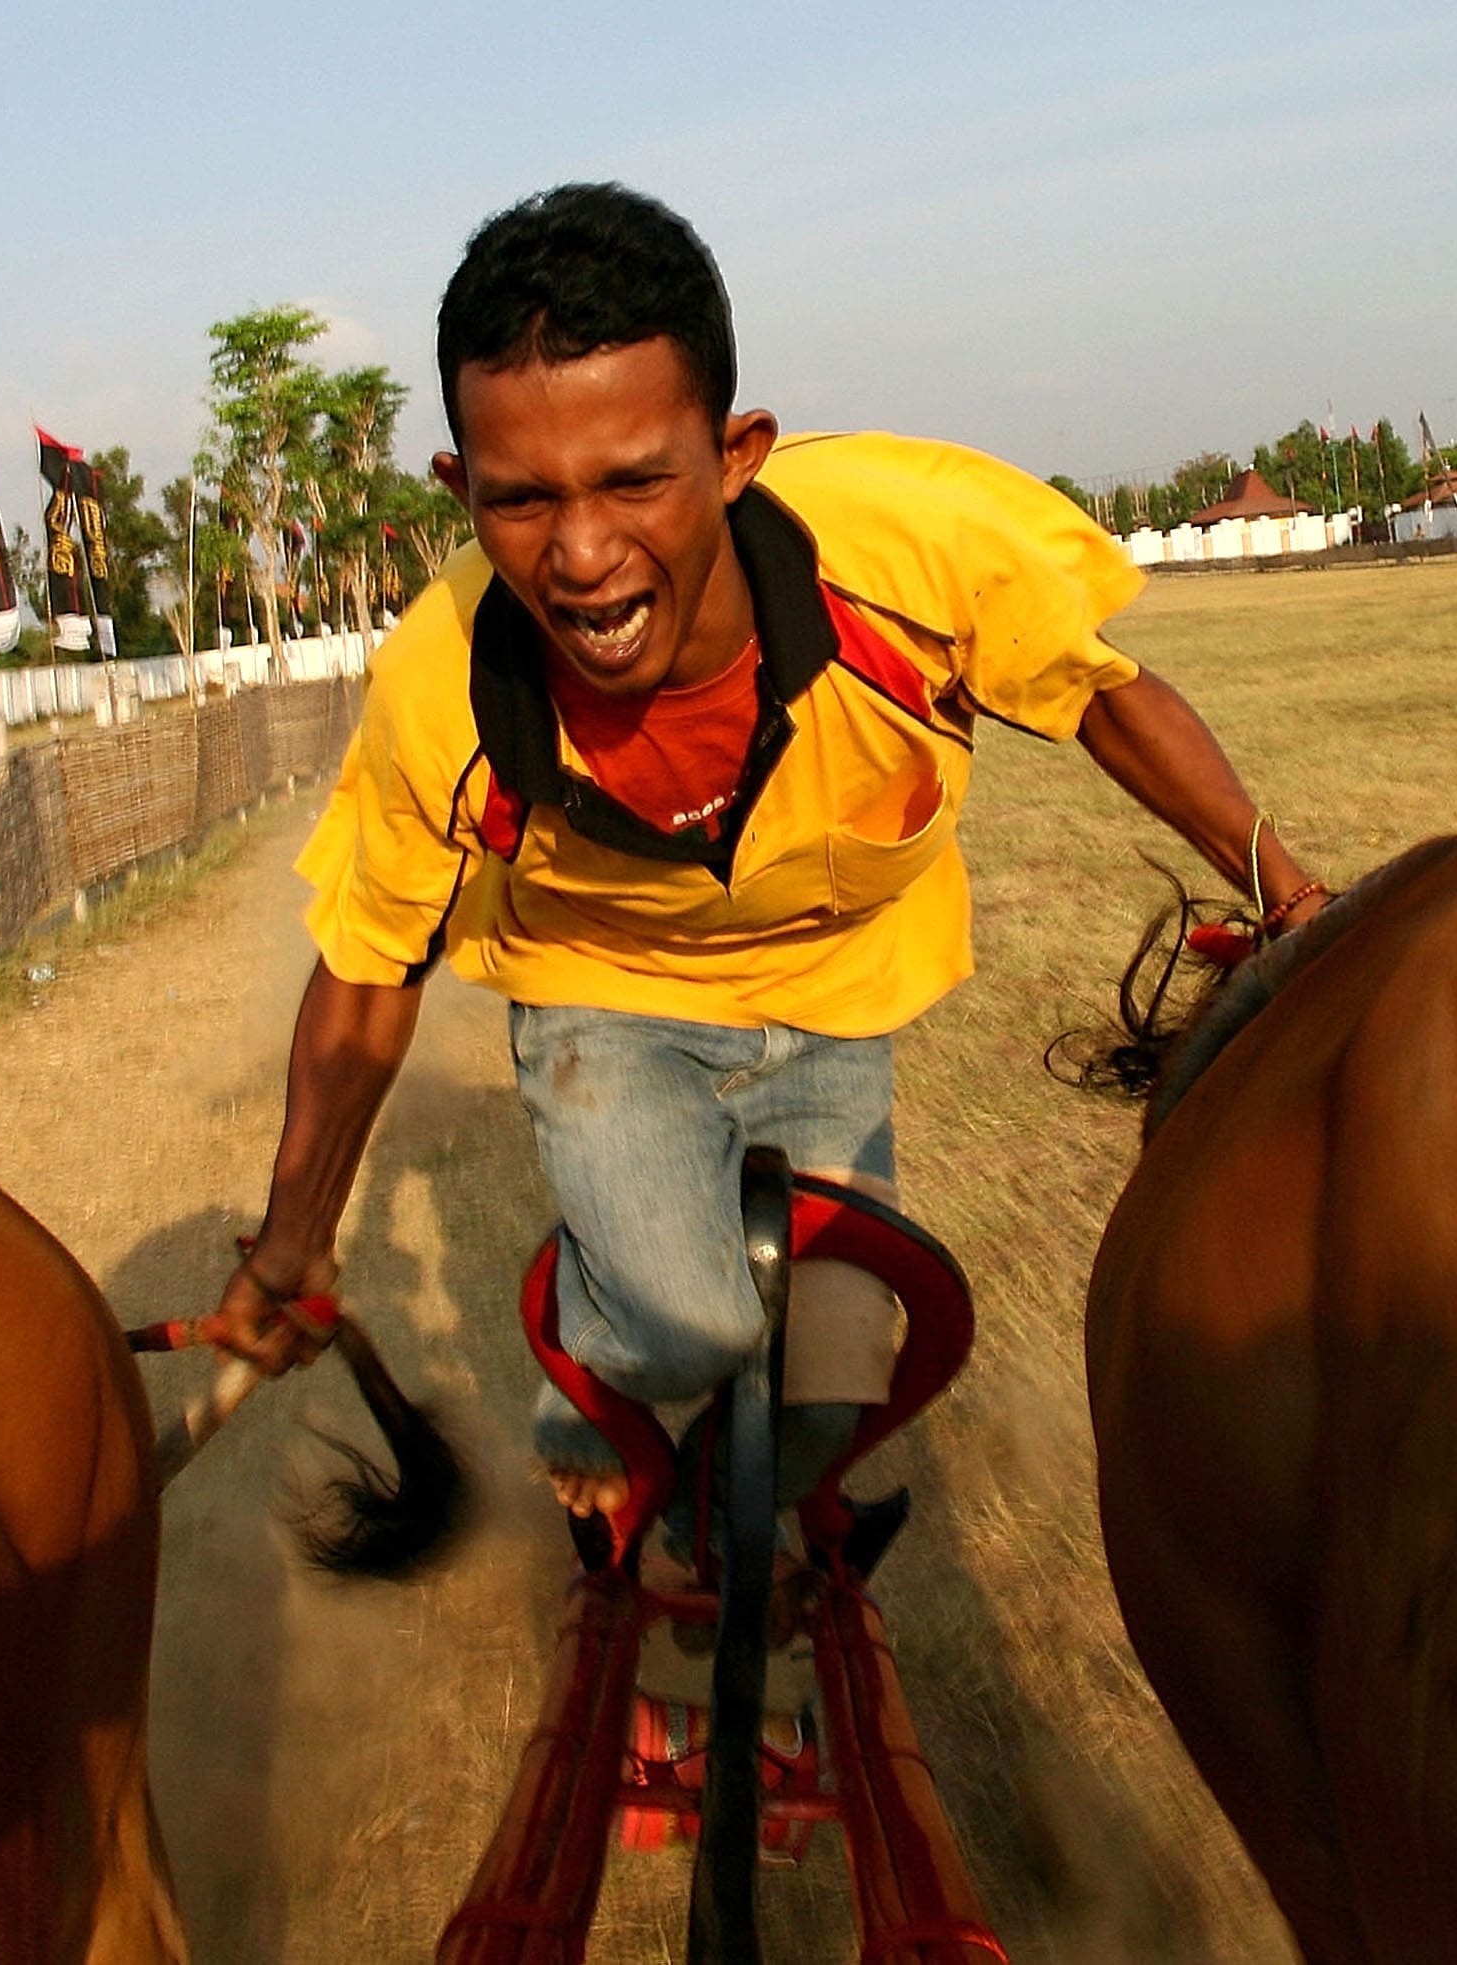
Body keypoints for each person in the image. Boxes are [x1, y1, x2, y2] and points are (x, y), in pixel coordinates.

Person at [210, 182, 1324, 1522]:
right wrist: (293, 1243)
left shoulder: (912, 556)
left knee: (835, 1390)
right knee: (686, 1332)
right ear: (459, 488)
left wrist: (1293, 899)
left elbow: (1102, 699)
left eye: (637, 481)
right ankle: (597, 1350)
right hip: (606, 1007)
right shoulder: (442, 685)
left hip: (832, 1006)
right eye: (521, 500)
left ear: (736, 454)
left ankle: (713, 1550)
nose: (582, 557)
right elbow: (369, 968)